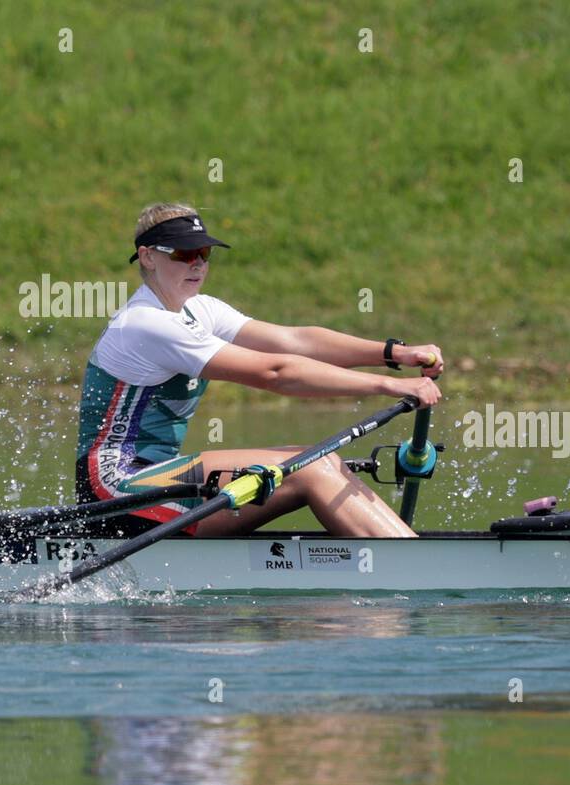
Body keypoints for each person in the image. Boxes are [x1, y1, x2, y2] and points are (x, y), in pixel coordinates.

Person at [76, 202, 443, 538]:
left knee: (318, 461)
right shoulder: (146, 324)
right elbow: (276, 372)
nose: (198, 264)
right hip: (116, 489)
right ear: (148, 257)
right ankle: (412, 568)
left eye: (204, 254)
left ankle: (404, 555)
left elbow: (292, 341)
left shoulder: (199, 309)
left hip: (160, 477)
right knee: (313, 466)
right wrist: (389, 386)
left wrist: (394, 353)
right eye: (185, 253)